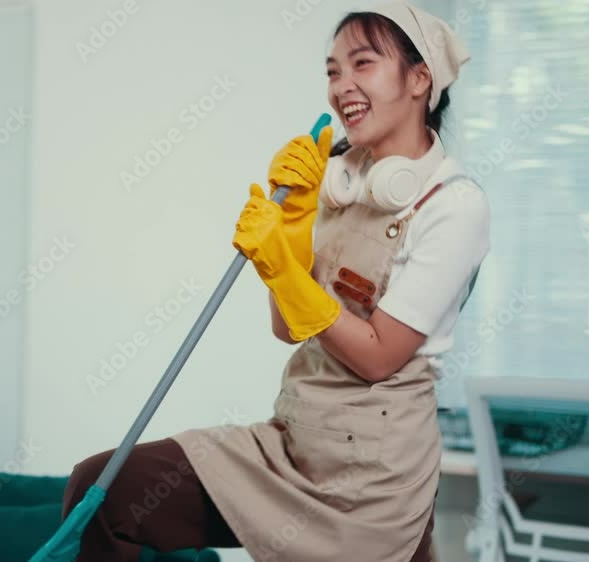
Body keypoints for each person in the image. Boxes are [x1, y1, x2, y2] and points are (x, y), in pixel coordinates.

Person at [61, 2, 490, 561]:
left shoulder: (454, 206)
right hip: (292, 444)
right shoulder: (339, 176)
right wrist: (291, 228)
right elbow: (289, 327)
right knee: (105, 488)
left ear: (418, 78)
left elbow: (380, 357)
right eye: (333, 71)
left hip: (375, 480)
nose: (342, 86)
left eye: (362, 64)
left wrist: (285, 267)